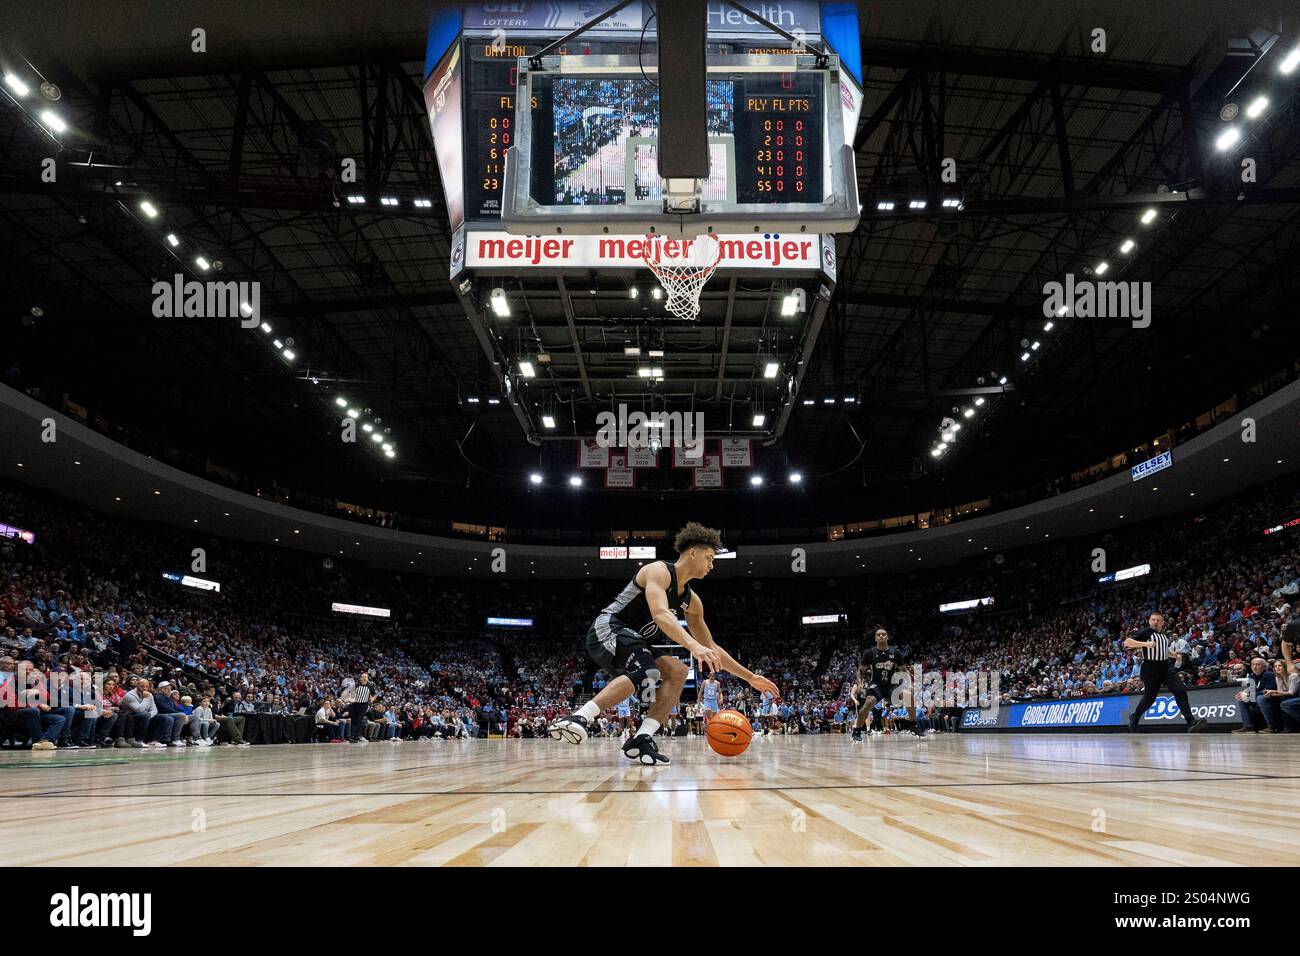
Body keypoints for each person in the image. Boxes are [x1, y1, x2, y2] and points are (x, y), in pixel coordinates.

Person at [549, 522, 780, 765]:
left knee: (678, 671)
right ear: (693, 552)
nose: (712, 565)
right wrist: (693, 646)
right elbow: (660, 613)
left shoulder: (692, 602)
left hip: (636, 641)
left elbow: (711, 647)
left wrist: (750, 677)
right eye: (709, 558)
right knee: (647, 668)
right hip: (609, 627)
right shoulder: (658, 571)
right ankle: (578, 718)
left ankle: (642, 738)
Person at [1125, 611, 1209, 733]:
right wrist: (1145, 644)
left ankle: (1191, 722)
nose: (1156, 622)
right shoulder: (1145, 632)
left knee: (1180, 690)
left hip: (1166, 666)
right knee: (1149, 698)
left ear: (1162, 623)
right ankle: (1135, 716)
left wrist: (1173, 654)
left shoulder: (1163, 636)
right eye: (1153, 620)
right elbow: (1127, 642)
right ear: (1149, 621)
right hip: (1150, 668)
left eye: (1158, 620)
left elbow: (1163, 650)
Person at [850, 626, 924, 740]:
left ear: (887, 637)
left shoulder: (895, 653)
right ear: (875, 638)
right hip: (876, 685)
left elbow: (904, 670)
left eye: (883, 634)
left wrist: (909, 684)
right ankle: (857, 731)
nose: (881, 636)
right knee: (869, 702)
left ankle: (913, 724)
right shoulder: (870, 653)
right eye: (878, 635)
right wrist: (860, 682)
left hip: (892, 685)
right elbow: (860, 670)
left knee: (908, 694)